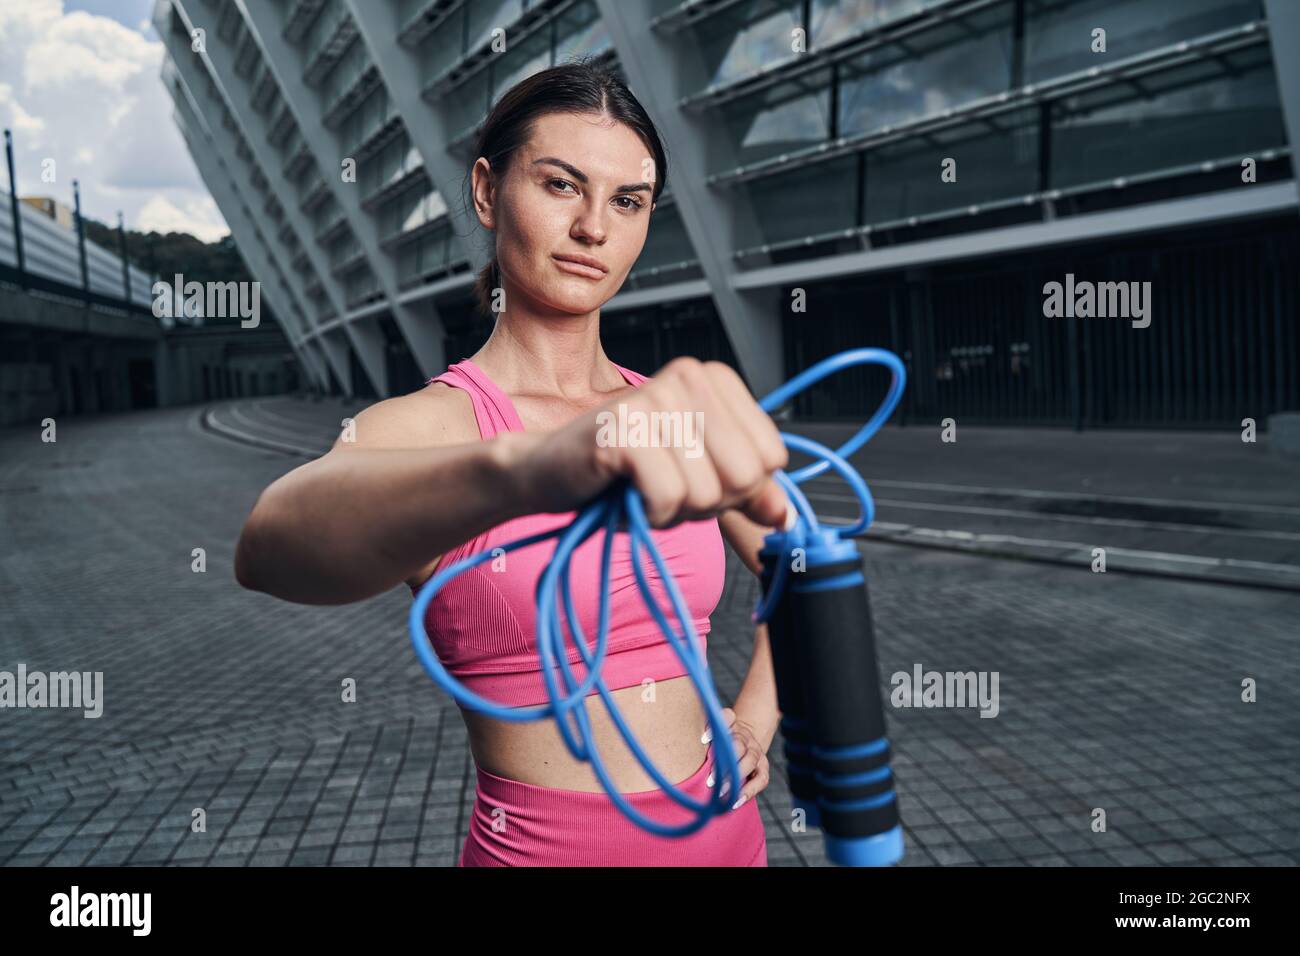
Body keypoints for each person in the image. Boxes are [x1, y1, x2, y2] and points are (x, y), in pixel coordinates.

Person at [234, 60, 790, 866]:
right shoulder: (431, 426)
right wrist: (527, 467)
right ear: (489, 192)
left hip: (728, 843)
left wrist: (754, 719)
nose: (595, 228)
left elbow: (801, 563)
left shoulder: (669, 410)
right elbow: (267, 549)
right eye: (562, 185)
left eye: (626, 201)